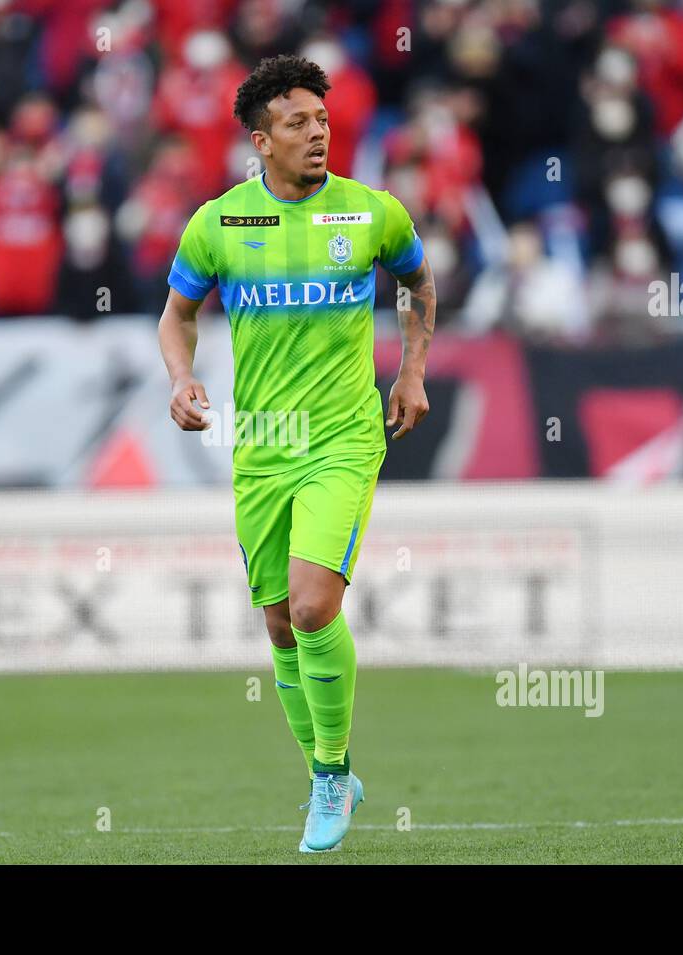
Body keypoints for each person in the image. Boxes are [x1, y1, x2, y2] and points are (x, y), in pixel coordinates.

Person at [156, 54, 436, 854]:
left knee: (315, 606)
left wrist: (411, 371)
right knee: (280, 625)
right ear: (260, 139)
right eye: (297, 123)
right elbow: (177, 316)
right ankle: (332, 773)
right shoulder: (221, 224)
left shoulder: (372, 212)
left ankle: (328, 775)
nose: (317, 134)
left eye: (322, 119)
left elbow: (420, 285)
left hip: (344, 439)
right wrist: (182, 378)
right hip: (262, 445)